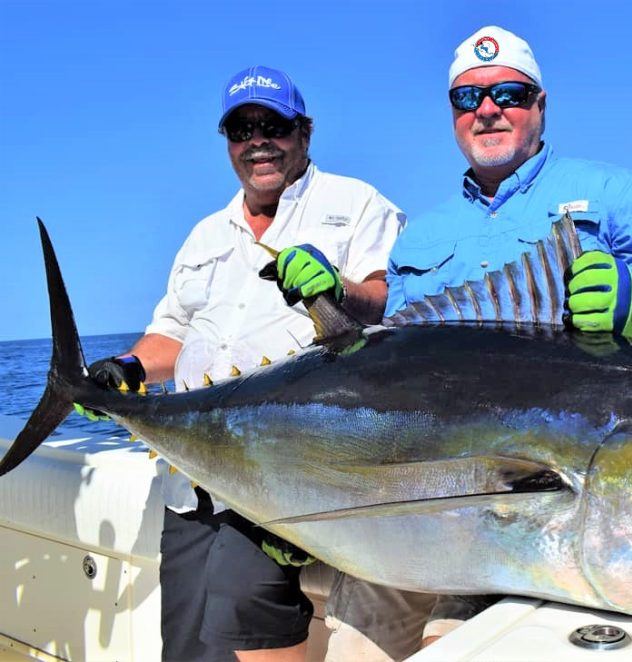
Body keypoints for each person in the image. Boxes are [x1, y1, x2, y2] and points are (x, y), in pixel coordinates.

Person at [380, 24, 632, 652]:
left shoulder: (622, 197)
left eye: (508, 94)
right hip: (412, 503)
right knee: (353, 645)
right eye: (468, 99)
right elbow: (390, 362)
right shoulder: (419, 235)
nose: (488, 110)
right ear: (453, 116)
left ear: (540, 105)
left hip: (553, 511)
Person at [77, 65, 405, 662]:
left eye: (273, 125)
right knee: (185, 646)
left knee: (250, 625)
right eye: (241, 128)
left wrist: (338, 289)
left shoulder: (356, 204)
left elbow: (393, 304)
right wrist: (125, 369)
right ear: (228, 142)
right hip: (192, 480)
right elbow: (172, 334)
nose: (258, 140)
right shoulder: (205, 234)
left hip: (289, 471)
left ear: (304, 133)